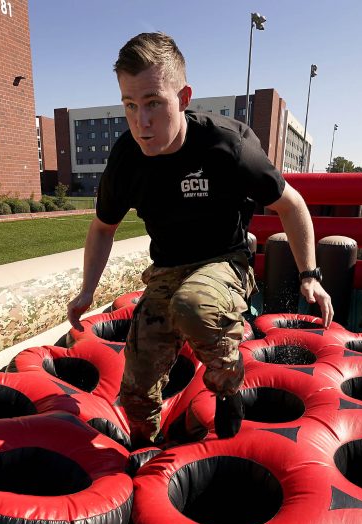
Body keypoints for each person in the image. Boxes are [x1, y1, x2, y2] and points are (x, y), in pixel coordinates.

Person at [66, 32, 332, 449]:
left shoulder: (226, 144)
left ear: (184, 97)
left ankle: (228, 388)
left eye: (154, 102)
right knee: (135, 391)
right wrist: (87, 290)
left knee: (195, 304)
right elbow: (102, 228)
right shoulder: (126, 158)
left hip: (225, 261)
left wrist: (310, 275)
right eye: (130, 106)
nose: (142, 122)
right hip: (167, 269)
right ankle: (144, 448)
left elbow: (291, 205)